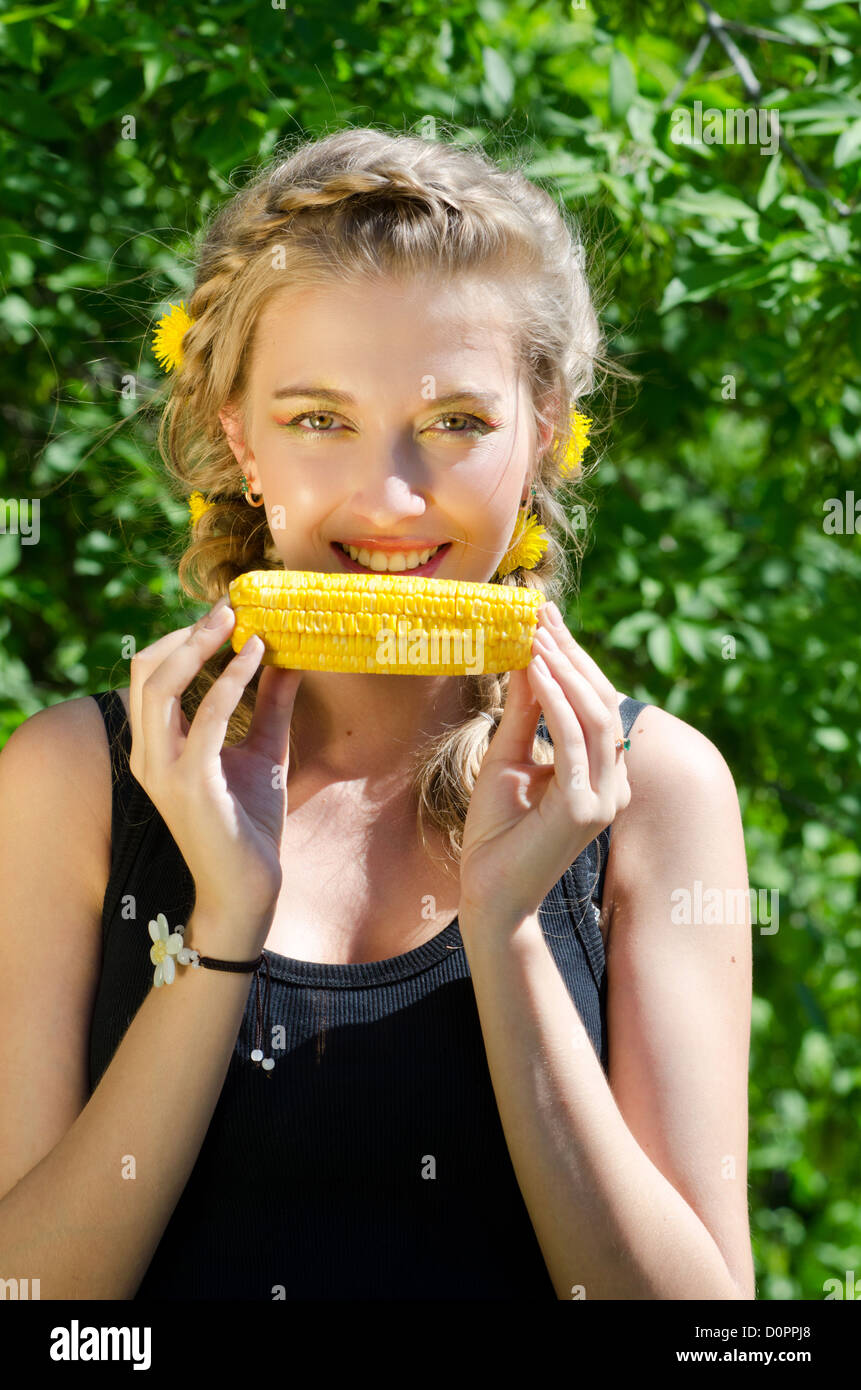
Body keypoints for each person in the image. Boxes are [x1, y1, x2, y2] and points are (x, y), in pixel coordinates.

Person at [0, 127, 755, 1301]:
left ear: (545, 425)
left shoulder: (650, 790)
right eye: (317, 419)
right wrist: (225, 919)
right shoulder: (74, 782)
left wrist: (505, 926)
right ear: (240, 437)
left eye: (457, 421)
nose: (394, 497)